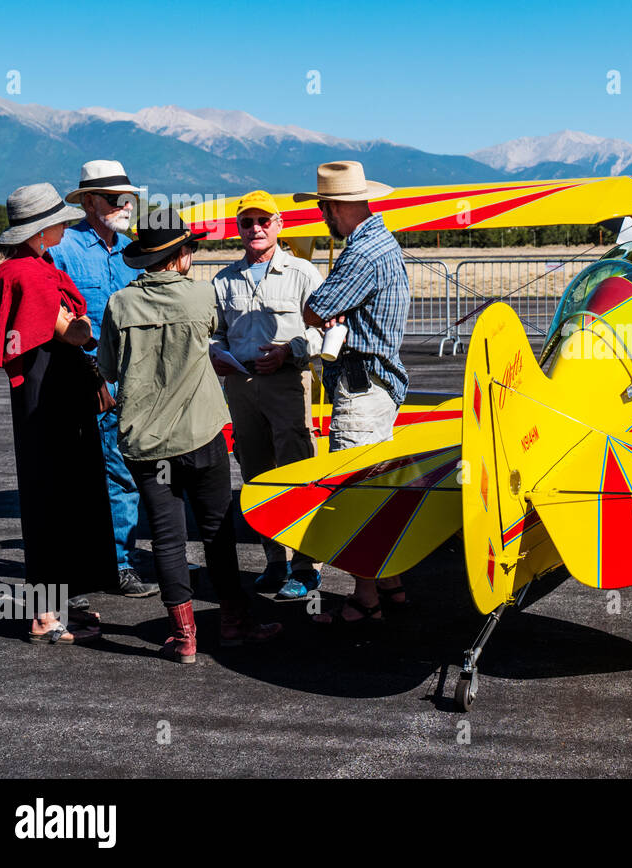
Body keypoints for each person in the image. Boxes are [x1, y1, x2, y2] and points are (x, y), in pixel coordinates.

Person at [98, 208, 282, 664]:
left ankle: (184, 637)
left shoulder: (120, 304)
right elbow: (216, 336)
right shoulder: (202, 299)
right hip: (200, 434)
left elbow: (105, 368)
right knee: (217, 529)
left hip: (145, 440)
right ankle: (236, 620)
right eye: (190, 250)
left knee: (166, 538)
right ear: (181, 256)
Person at [0, 184, 119, 645]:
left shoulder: (33, 265)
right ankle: (44, 614)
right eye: (59, 218)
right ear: (41, 228)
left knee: (67, 496)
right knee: (51, 500)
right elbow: (69, 333)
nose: (66, 224)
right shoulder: (30, 273)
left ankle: (60, 602)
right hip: (49, 398)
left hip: (54, 393)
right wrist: (88, 332)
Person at [296, 161, 410, 627]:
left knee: (355, 488)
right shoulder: (383, 242)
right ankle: (390, 583)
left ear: (336, 206)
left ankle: (365, 599)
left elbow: (316, 307)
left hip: (361, 387)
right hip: (378, 385)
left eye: (324, 207)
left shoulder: (361, 252)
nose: (323, 216)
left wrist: (323, 313)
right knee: (378, 484)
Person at [49, 160, 157, 599]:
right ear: (90, 202)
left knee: (123, 477)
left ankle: (117, 565)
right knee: (73, 478)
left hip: (127, 386)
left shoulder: (134, 250)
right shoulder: (62, 250)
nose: (125, 205)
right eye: (116, 199)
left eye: (127, 198)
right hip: (77, 384)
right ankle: (72, 574)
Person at [211, 190, 325, 599]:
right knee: (256, 474)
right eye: (247, 222)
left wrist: (288, 352)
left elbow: (324, 330)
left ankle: (306, 565)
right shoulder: (222, 280)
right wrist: (216, 354)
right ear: (238, 229)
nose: (255, 229)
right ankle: (274, 561)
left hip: (288, 381)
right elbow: (215, 333)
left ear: (279, 225)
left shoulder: (304, 273)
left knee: (298, 472)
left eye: (263, 221)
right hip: (239, 386)